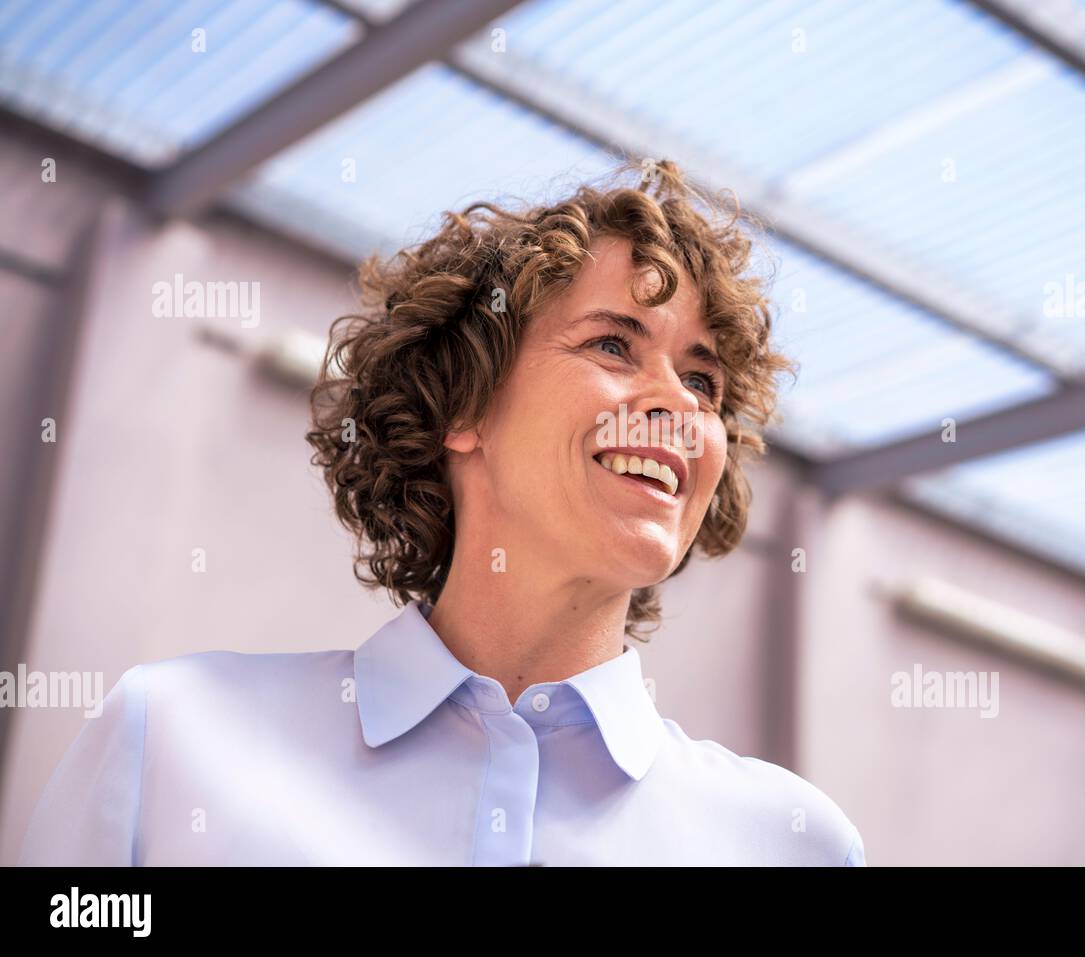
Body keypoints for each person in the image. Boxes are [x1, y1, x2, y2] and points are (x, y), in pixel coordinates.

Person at [20, 158, 865, 866]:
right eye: (614, 343)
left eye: (704, 379)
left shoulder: (795, 844)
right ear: (464, 407)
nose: (677, 405)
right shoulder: (169, 739)